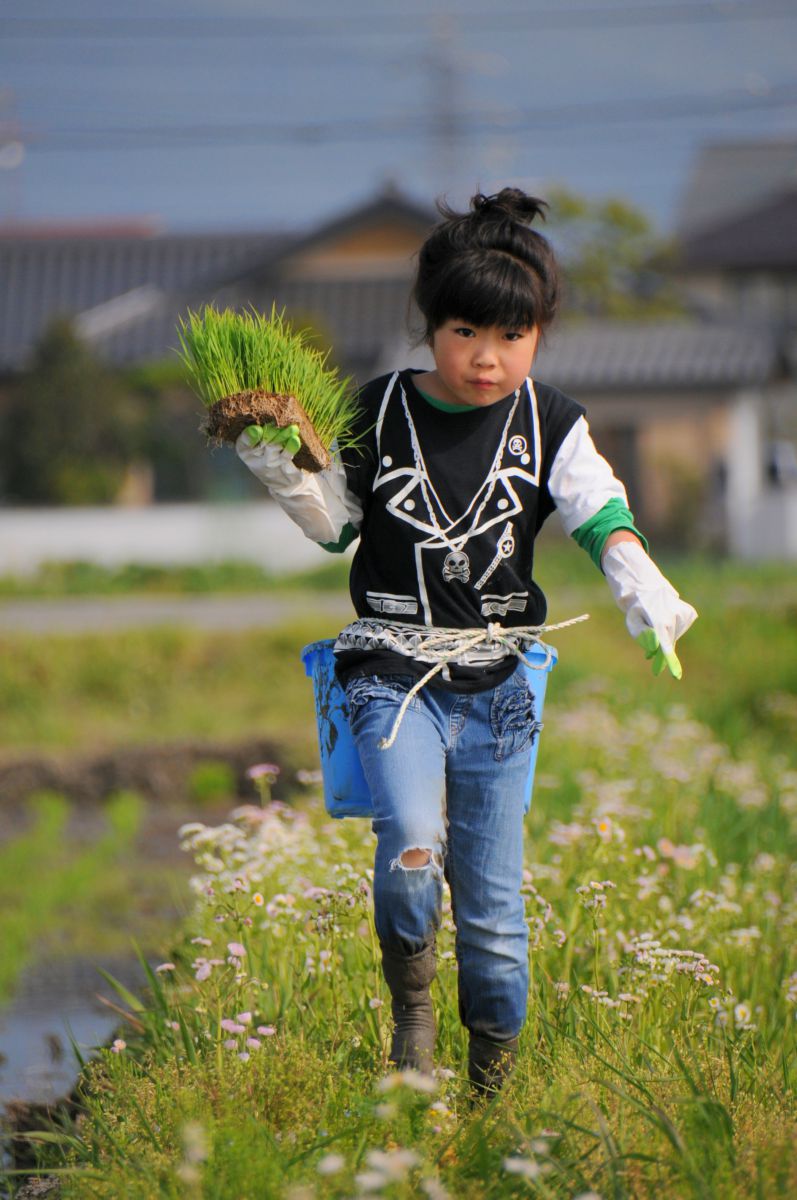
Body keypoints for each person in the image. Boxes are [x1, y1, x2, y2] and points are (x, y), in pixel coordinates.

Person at [235, 188, 697, 1095]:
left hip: (500, 684)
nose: (486, 359)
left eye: (511, 338)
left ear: (539, 335)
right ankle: (412, 1014)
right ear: (428, 328)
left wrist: (639, 582)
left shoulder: (550, 421)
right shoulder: (377, 412)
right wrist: (275, 456)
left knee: (491, 914)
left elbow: (598, 508)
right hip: (390, 673)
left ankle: (491, 1097)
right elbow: (335, 527)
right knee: (410, 841)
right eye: (462, 333)